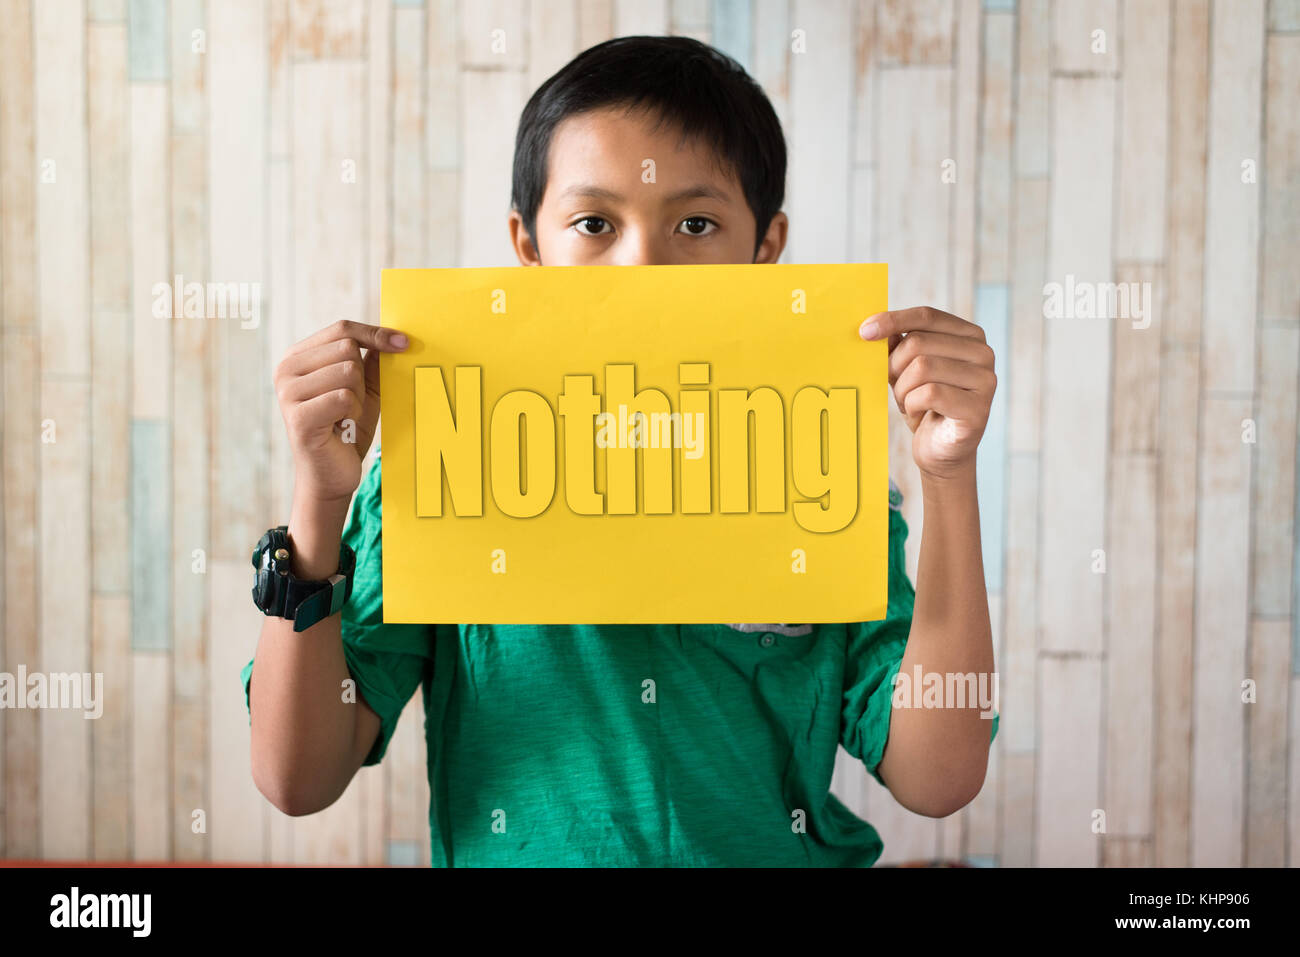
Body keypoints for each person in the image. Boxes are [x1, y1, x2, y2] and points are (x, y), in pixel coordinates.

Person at [242, 35, 999, 866]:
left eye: (697, 223)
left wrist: (949, 477)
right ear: (528, 247)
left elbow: (939, 773)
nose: (643, 265)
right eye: (594, 223)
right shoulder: (439, 475)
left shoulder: (823, 479)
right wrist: (317, 502)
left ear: (766, 249)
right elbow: (298, 777)